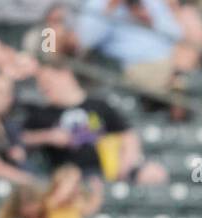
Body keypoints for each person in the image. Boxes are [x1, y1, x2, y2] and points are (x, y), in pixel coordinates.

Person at [20, 61, 166, 183]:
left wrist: (126, 164)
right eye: (40, 83)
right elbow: (19, 138)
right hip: (69, 177)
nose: (43, 87)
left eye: (47, 81)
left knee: (154, 173)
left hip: (108, 170)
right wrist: (48, 136)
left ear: (65, 75)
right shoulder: (41, 114)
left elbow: (128, 135)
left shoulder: (98, 105)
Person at [76, 0, 182, 96]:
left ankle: (178, 87)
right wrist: (109, 9)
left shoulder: (150, 3)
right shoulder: (98, 4)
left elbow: (177, 34)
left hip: (171, 59)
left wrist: (151, 20)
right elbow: (86, 40)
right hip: (133, 67)